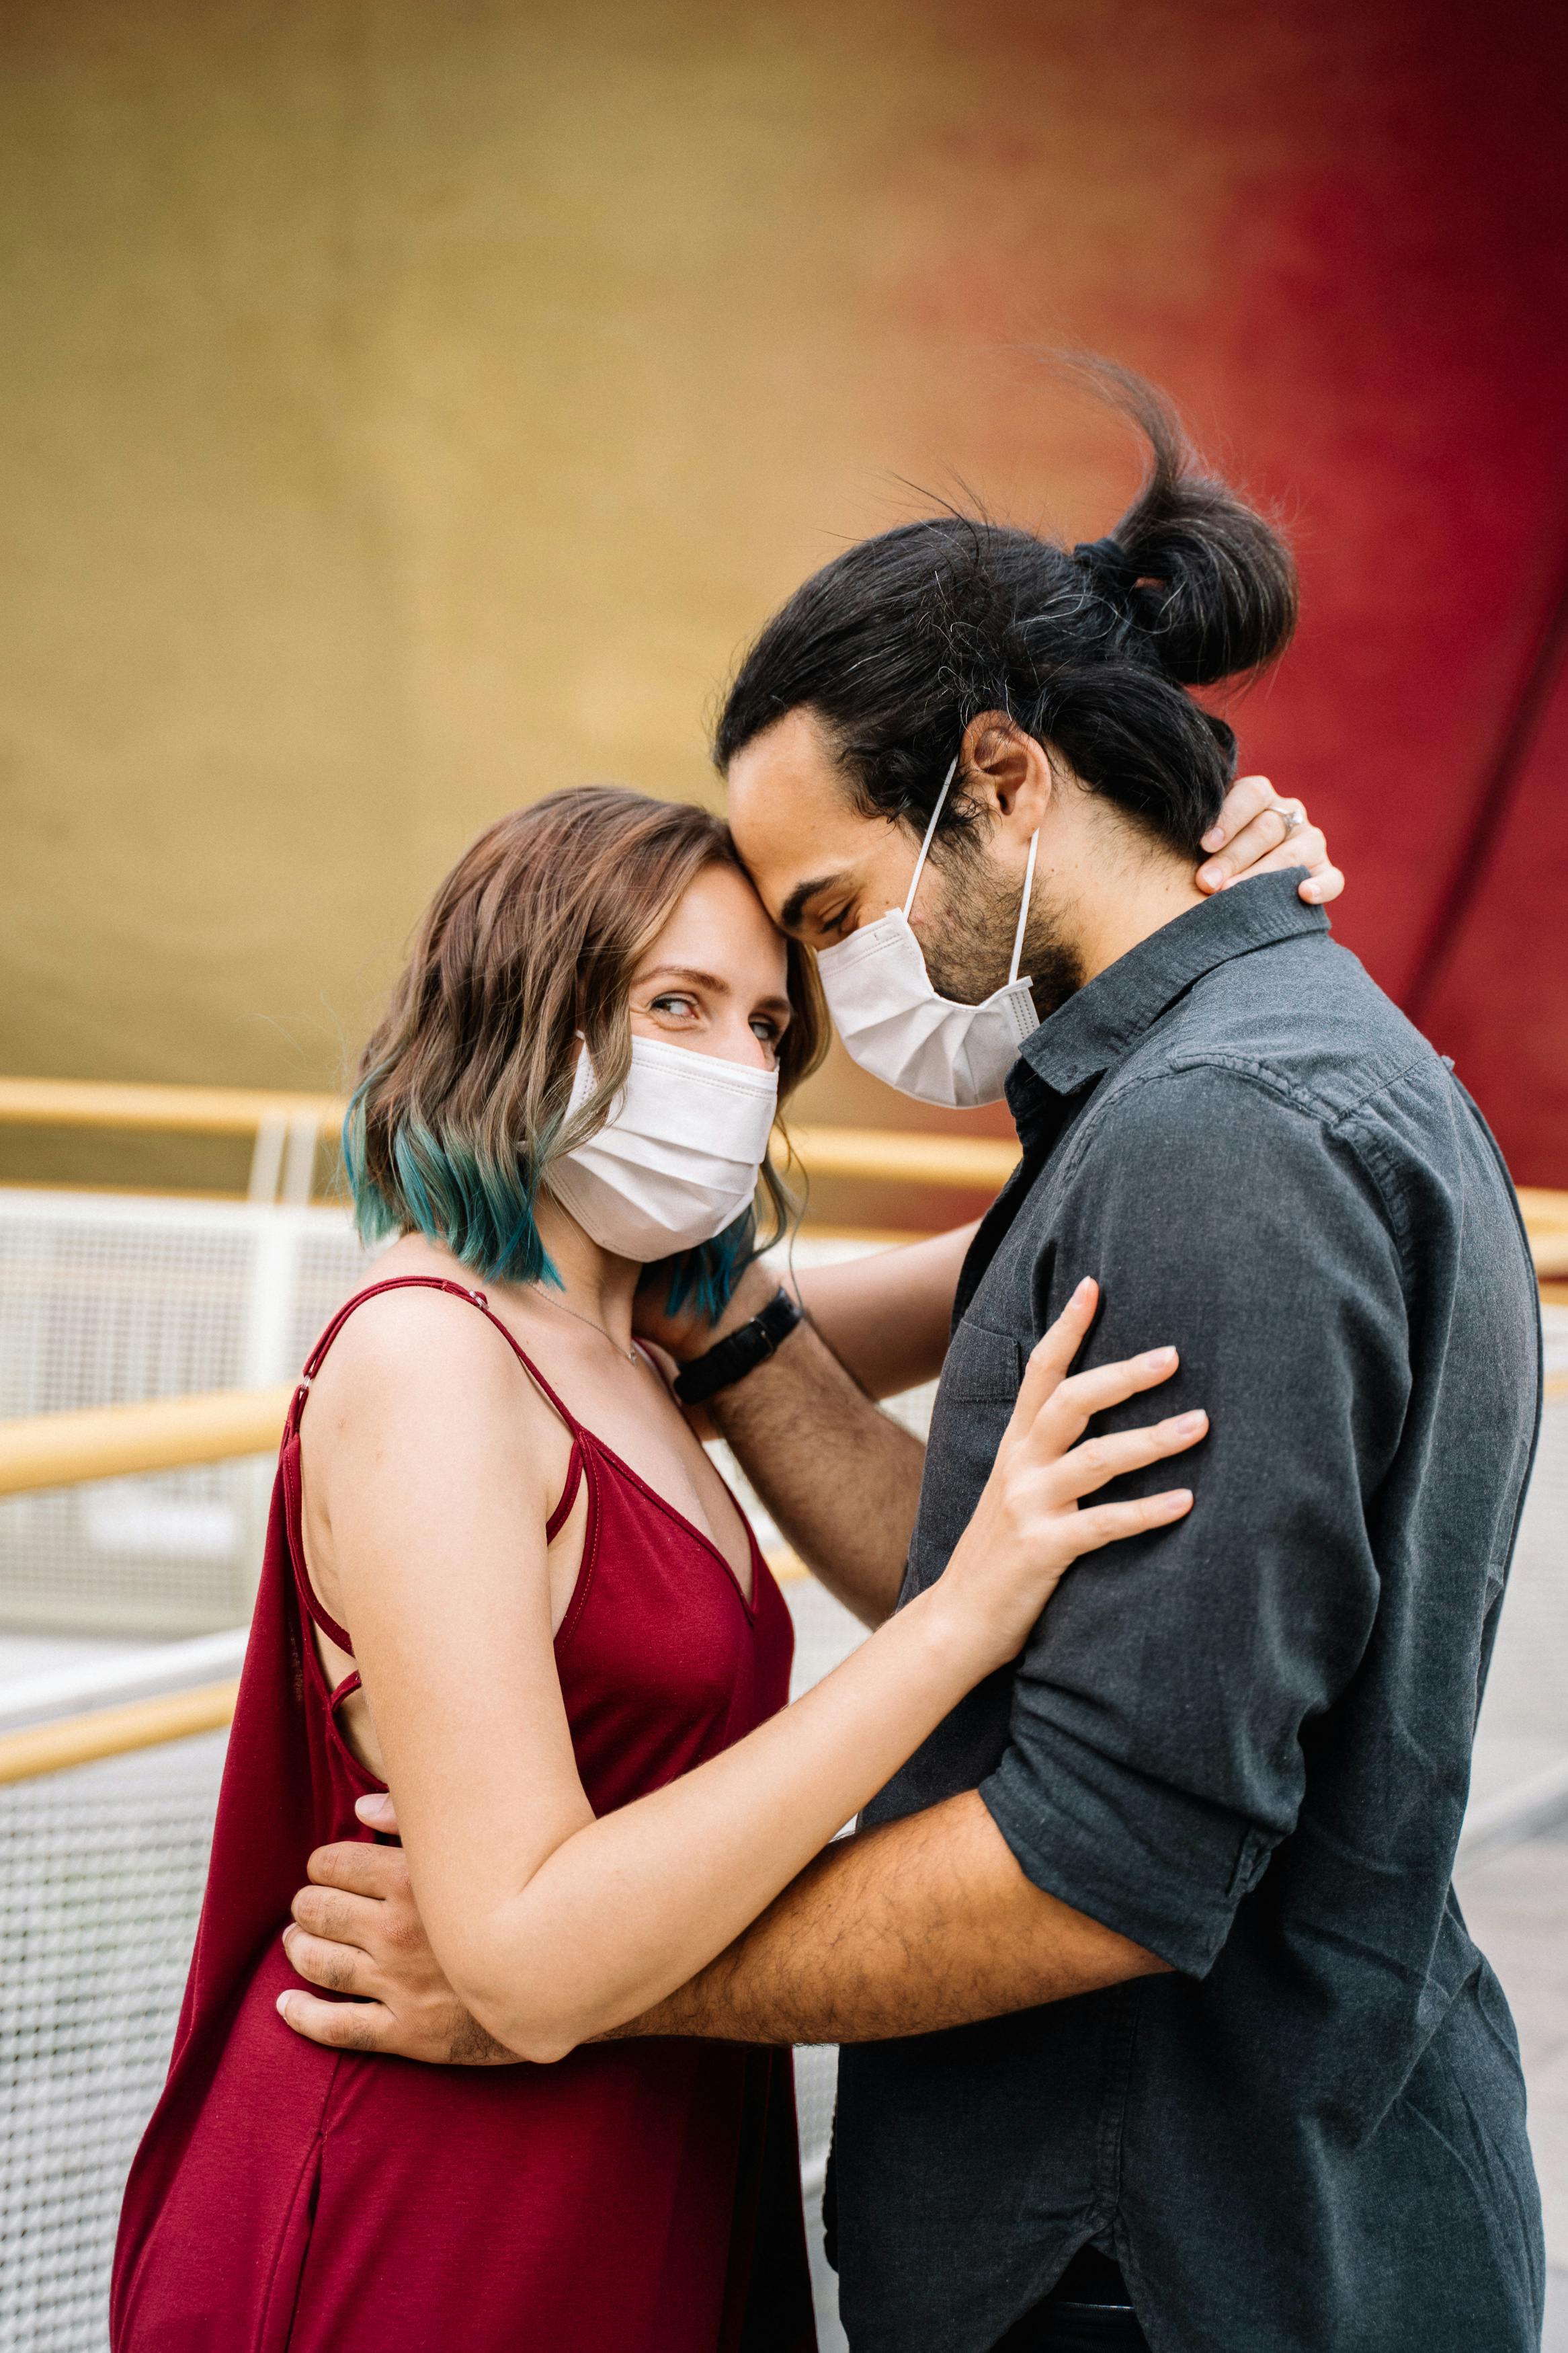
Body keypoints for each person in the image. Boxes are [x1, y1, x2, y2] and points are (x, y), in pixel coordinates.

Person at [281, 374, 1543, 2353]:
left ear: (1004, 777)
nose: (821, 1018)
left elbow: (1102, 1860)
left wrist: (565, 1972)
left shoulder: (1226, 1141)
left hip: (1160, 2241)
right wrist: (702, 1300)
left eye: (827, 921)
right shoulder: (1189, 1100)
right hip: (1210, 2207)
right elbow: (1023, 1590)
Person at [111, 783, 1224, 2353]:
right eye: (674, 1004)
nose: (731, 1064)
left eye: (767, 1026)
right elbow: (528, 1949)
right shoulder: (436, 1357)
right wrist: (960, 1614)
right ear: (525, 1008)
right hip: (437, 2192)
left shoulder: (640, 1336)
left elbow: (1045, 1251)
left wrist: (1201, 927)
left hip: (639, 2148)